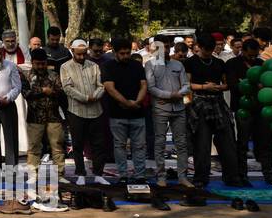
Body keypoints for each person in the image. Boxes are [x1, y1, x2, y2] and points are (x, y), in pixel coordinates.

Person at [185, 33, 241, 188]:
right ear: (199, 47)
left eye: (212, 48)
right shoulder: (191, 62)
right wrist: (204, 87)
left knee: (227, 140)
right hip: (199, 102)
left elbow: (226, 83)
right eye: (206, 49)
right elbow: (186, 85)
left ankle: (231, 176)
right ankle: (201, 177)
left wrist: (220, 87)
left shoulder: (218, 62)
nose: (209, 52)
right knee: (202, 143)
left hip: (218, 102)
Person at [224, 37, 272, 187]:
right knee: (242, 143)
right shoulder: (232, 64)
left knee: (265, 141)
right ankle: (242, 174)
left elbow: (267, 84)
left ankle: (268, 172)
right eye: (249, 55)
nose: (252, 58)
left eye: (255, 55)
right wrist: (253, 86)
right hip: (242, 108)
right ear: (242, 51)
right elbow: (234, 85)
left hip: (260, 108)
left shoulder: (261, 64)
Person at [60, 39, 110, 185]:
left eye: (84, 54)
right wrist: (85, 98)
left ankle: (98, 173)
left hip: (96, 110)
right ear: (72, 51)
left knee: (99, 143)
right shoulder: (65, 67)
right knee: (78, 143)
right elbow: (67, 88)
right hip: (76, 110)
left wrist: (95, 96)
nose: (82, 57)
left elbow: (101, 85)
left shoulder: (94, 66)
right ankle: (80, 173)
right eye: (79, 54)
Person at [100, 37, 148, 183]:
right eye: (122, 53)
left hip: (137, 112)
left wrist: (137, 102)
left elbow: (144, 85)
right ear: (114, 52)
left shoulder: (137, 66)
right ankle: (123, 175)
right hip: (117, 113)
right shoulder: (108, 66)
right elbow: (110, 88)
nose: (126, 56)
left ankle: (140, 175)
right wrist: (127, 103)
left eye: (128, 53)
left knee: (139, 146)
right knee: (119, 146)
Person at [146, 41, 192, 187]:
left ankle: (183, 176)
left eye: (166, 47)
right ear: (153, 50)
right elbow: (151, 88)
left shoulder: (178, 65)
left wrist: (178, 93)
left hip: (178, 108)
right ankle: (161, 176)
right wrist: (169, 95)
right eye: (160, 48)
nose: (163, 50)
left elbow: (186, 85)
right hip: (161, 108)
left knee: (182, 143)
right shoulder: (150, 65)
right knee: (160, 143)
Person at [21, 48, 66, 182]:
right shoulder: (27, 76)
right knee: (34, 147)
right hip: (35, 116)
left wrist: (50, 92)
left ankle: (60, 175)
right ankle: (33, 174)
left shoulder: (53, 75)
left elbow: (60, 91)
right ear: (32, 63)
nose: (40, 66)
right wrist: (43, 90)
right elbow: (25, 93)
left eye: (43, 63)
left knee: (57, 145)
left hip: (53, 115)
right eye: (37, 64)